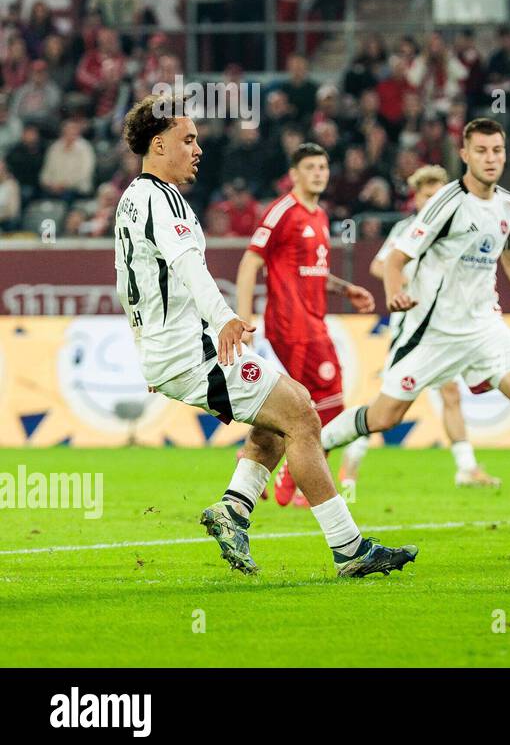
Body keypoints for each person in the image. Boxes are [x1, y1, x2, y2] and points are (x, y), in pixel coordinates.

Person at [112, 94, 415, 577]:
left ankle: (232, 511)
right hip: (193, 350)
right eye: (187, 139)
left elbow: (134, 283)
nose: (197, 149)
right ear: (158, 143)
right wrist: (225, 318)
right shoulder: (161, 199)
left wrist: (148, 349)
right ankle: (350, 549)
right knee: (302, 415)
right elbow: (188, 267)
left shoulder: (132, 198)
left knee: (279, 420)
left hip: (175, 351)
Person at [319, 119, 510, 524]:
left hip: (483, 326)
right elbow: (396, 258)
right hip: (433, 334)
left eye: (497, 151)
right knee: (385, 417)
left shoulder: (508, 205)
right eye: (482, 151)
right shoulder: (446, 203)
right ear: (465, 154)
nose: (491, 159)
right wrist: (393, 293)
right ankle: (318, 443)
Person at [234, 143, 376, 506]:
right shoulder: (284, 211)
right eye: (310, 167)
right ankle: (297, 479)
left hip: (313, 321)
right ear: (294, 174)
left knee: (303, 404)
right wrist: (244, 319)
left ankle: (257, 456)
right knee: (330, 402)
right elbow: (251, 263)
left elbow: (313, 270)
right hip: (291, 323)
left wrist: (346, 289)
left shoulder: (320, 216)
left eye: (323, 167)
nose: (319, 173)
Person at [357, 164, 501, 491]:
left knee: (450, 393)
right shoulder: (408, 229)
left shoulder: (456, 230)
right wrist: (408, 283)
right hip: (410, 324)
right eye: (427, 194)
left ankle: (466, 467)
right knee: (385, 405)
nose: (434, 199)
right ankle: (350, 455)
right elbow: (380, 265)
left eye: (439, 193)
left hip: (442, 325)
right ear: (416, 198)